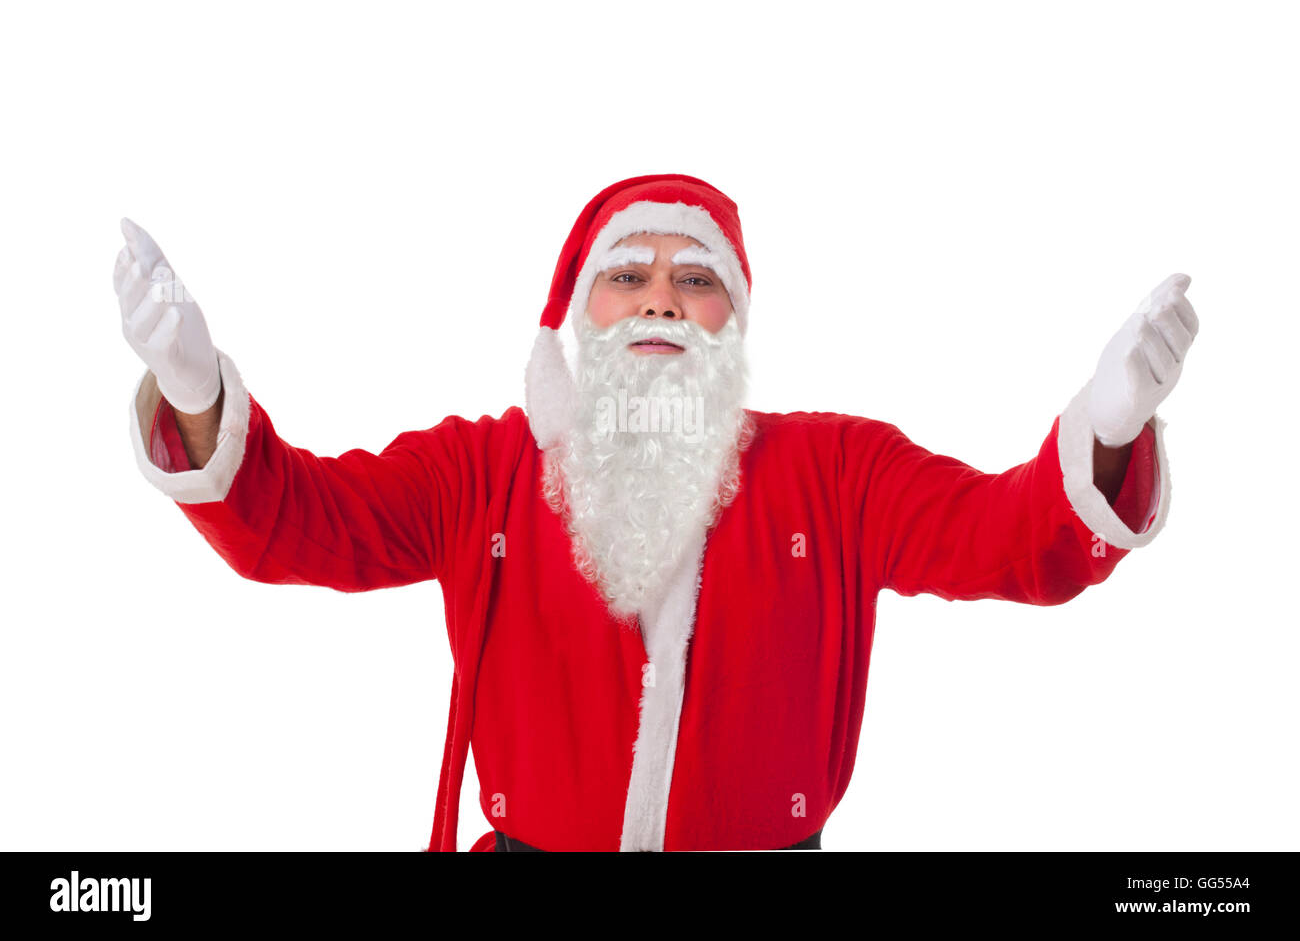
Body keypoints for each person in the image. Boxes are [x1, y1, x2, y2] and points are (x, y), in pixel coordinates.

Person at [116, 173, 1198, 852]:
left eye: (697, 278)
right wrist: (199, 397)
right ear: (577, 319)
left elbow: (1009, 541)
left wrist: (1100, 429)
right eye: (626, 275)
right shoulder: (481, 470)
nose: (662, 298)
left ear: (732, 318)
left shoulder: (837, 468)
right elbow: (298, 523)